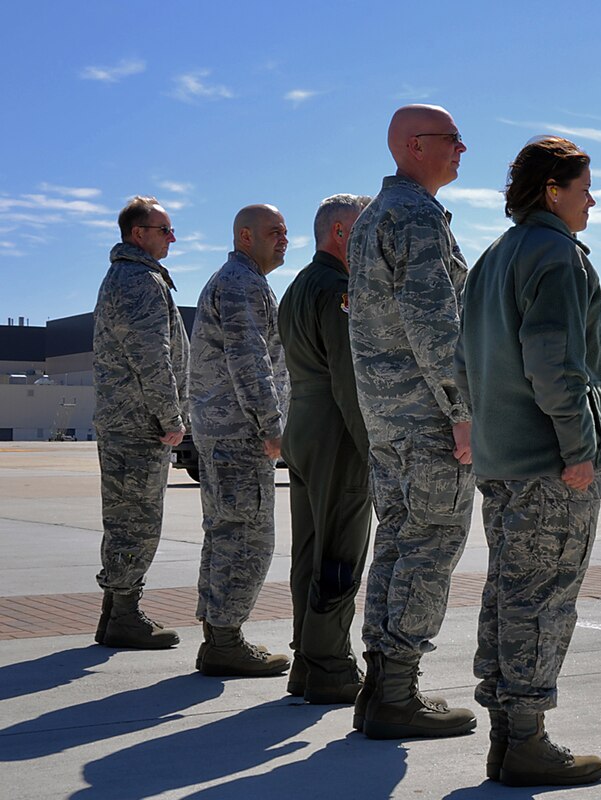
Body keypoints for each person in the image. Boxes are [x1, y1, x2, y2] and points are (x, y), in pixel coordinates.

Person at [455, 136, 601, 787]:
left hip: (502, 458)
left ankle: (508, 735)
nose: (592, 200)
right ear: (553, 189)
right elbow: (554, 364)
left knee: (509, 594)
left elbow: (465, 359)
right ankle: (526, 739)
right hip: (548, 463)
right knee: (543, 599)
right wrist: (579, 449)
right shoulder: (555, 255)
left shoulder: (496, 256)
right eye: (584, 187)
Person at [347, 104, 476, 739]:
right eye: (453, 140)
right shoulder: (416, 216)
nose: (462, 149)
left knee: (398, 544)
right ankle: (396, 693)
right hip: (426, 417)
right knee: (430, 544)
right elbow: (435, 325)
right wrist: (463, 411)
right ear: (415, 145)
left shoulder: (374, 216)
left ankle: (379, 690)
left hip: (387, 418)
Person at [278, 194, 374, 704]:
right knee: (340, 552)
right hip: (337, 429)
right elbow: (349, 378)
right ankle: (329, 664)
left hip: (304, 425)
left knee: (311, 550)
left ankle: (307, 660)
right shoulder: (338, 288)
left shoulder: (298, 286)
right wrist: (374, 450)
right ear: (340, 232)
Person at [189, 204, 292, 677]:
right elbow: (251, 361)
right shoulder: (243, 284)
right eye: (274, 232)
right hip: (240, 434)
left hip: (222, 432)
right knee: (249, 538)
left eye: (286, 232)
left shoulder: (239, 281)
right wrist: (272, 426)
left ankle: (219, 636)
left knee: (225, 532)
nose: (284, 240)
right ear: (245, 237)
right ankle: (226, 640)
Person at [92, 196, 189, 649]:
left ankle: (115, 612)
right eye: (164, 230)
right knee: (139, 520)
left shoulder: (128, 277)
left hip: (124, 420)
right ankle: (125, 614)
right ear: (138, 234)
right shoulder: (139, 280)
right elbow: (152, 357)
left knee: (123, 517)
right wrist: (171, 417)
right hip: (138, 425)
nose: (172, 238)